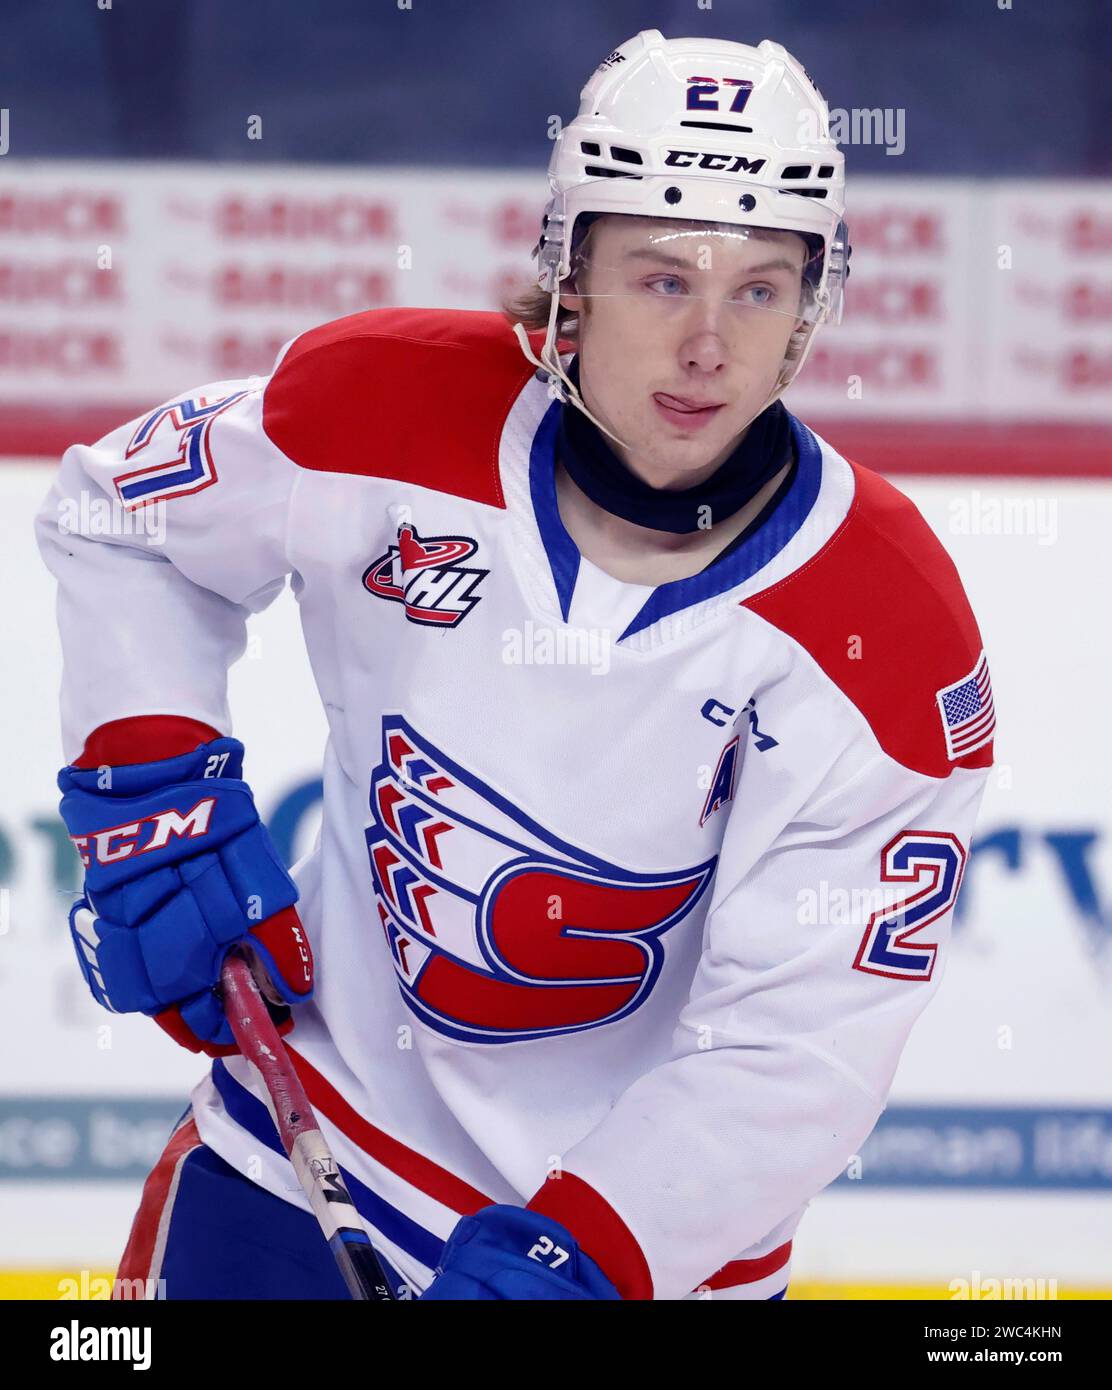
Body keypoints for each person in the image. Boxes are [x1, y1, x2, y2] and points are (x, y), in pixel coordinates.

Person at [36, 30, 994, 1301]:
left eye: (757, 288)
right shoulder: (377, 405)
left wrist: (601, 1244)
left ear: (809, 305)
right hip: (301, 1157)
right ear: (570, 278)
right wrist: (150, 776)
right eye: (661, 281)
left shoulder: (887, 624)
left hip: (639, 1264)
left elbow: (797, 1041)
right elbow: (124, 517)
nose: (708, 345)